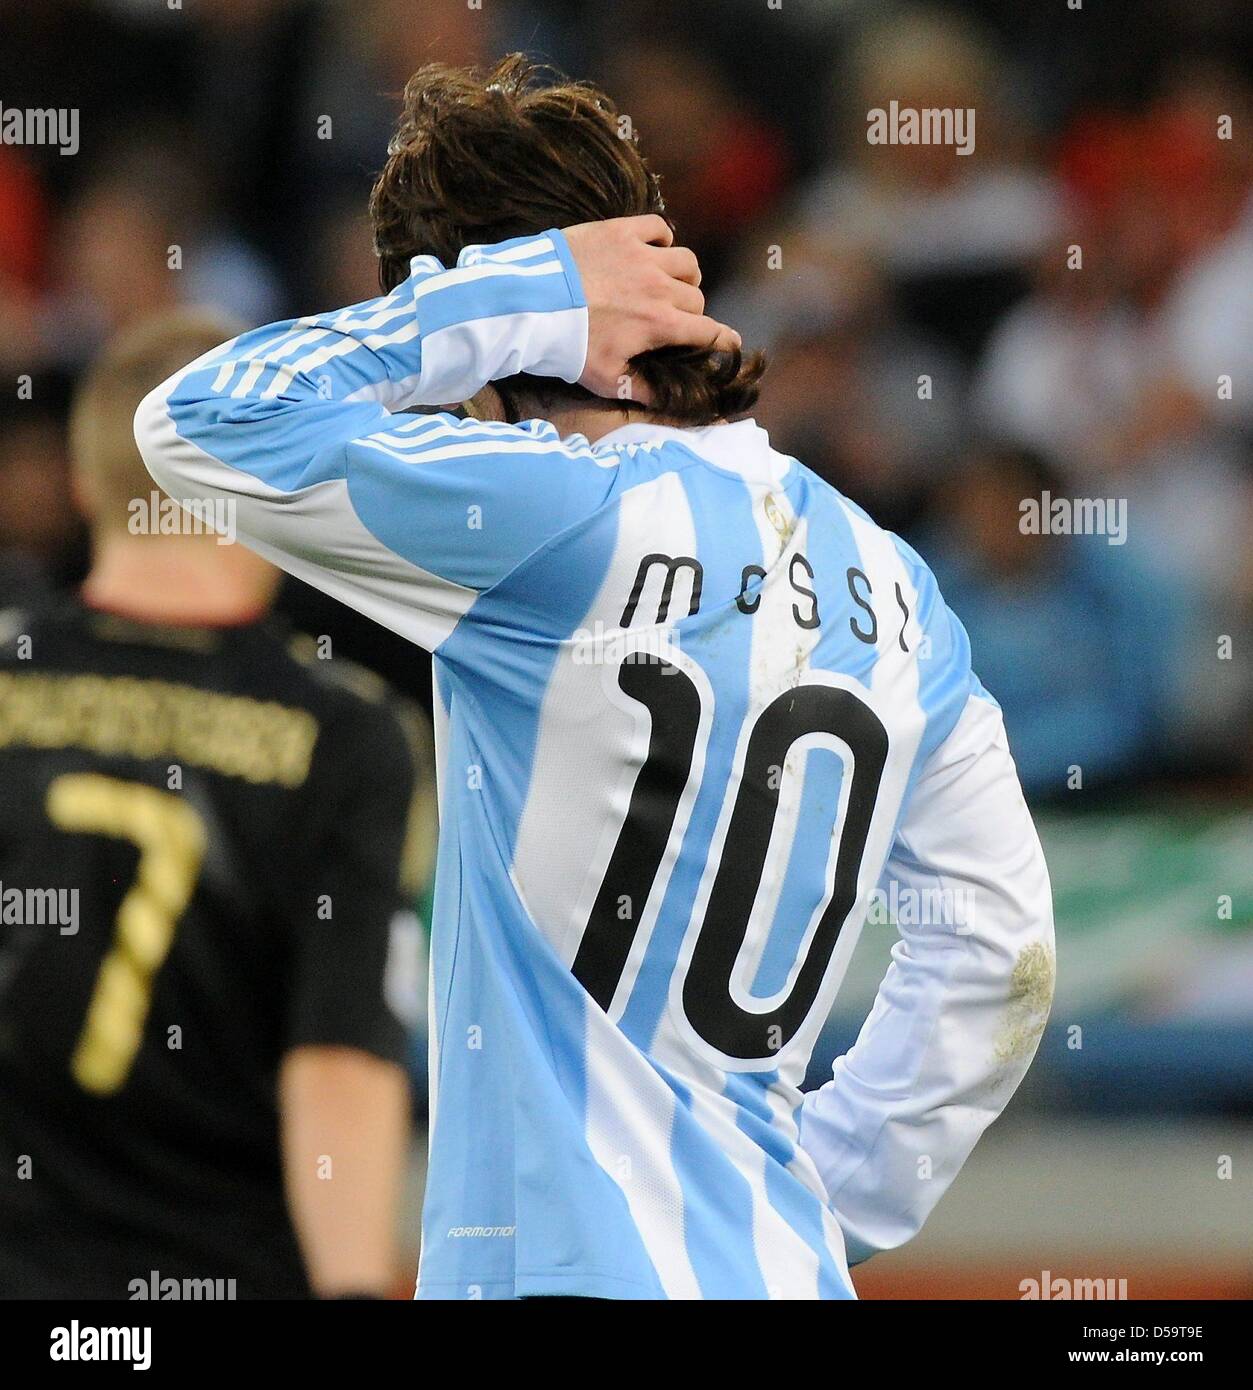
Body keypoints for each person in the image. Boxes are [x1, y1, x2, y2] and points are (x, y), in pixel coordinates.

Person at [136, 55, 1054, 1301]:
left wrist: (503, 294)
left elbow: (194, 425)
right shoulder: (895, 584)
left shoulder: (539, 522)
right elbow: (999, 952)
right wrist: (796, 1217)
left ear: (493, 333)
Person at [0, 310, 430, 1299]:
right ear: (273, 482)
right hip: (221, 1272)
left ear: (82, 481)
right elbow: (339, 1061)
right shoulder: (345, 735)